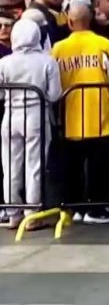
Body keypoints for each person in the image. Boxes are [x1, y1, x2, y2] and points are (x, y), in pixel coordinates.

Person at [52, 0, 109, 224]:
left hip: (71, 116)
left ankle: (77, 208)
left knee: (73, 167)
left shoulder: (58, 49)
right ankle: (97, 208)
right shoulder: (103, 44)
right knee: (99, 167)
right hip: (100, 115)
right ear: (91, 18)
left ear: (69, 22)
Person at [0, 18, 60, 230]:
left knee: (10, 166)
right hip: (36, 116)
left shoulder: (4, 62)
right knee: (34, 165)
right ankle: (32, 213)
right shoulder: (47, 61)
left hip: (10, 115)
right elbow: (54, 95)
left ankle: (12, 213)